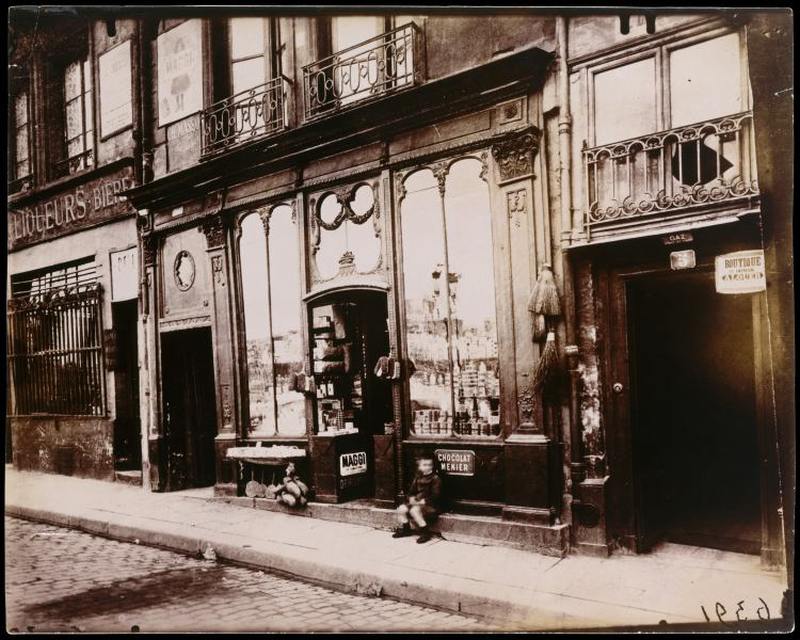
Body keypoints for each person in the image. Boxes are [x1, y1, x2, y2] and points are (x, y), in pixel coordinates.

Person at [392, 454, 442, 543]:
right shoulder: (418, 478)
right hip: (417, 502)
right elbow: (411, 492)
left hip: (430, 505)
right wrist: (411, 498)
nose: (427, 467)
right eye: (424, 465)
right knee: (401, 509)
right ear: (420, 467)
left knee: (414, 510)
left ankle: (425, 532)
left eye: (430, 465)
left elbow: (436, 495)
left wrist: (424, 501)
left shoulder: (435, 478)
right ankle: (406, 529)